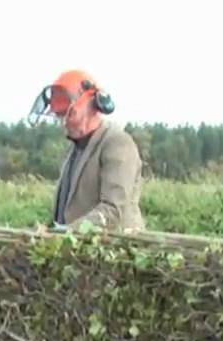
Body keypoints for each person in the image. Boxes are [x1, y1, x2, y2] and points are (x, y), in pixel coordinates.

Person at [29, 69, 144, 232]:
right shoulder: (74, 150)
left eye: (70, 114)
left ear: (92, 105)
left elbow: (113, 210)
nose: (64, 123)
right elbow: (67, 211)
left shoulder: (117, 143)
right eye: (59, 116)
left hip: (114, 250)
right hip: (77, 250)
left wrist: (66, 232)